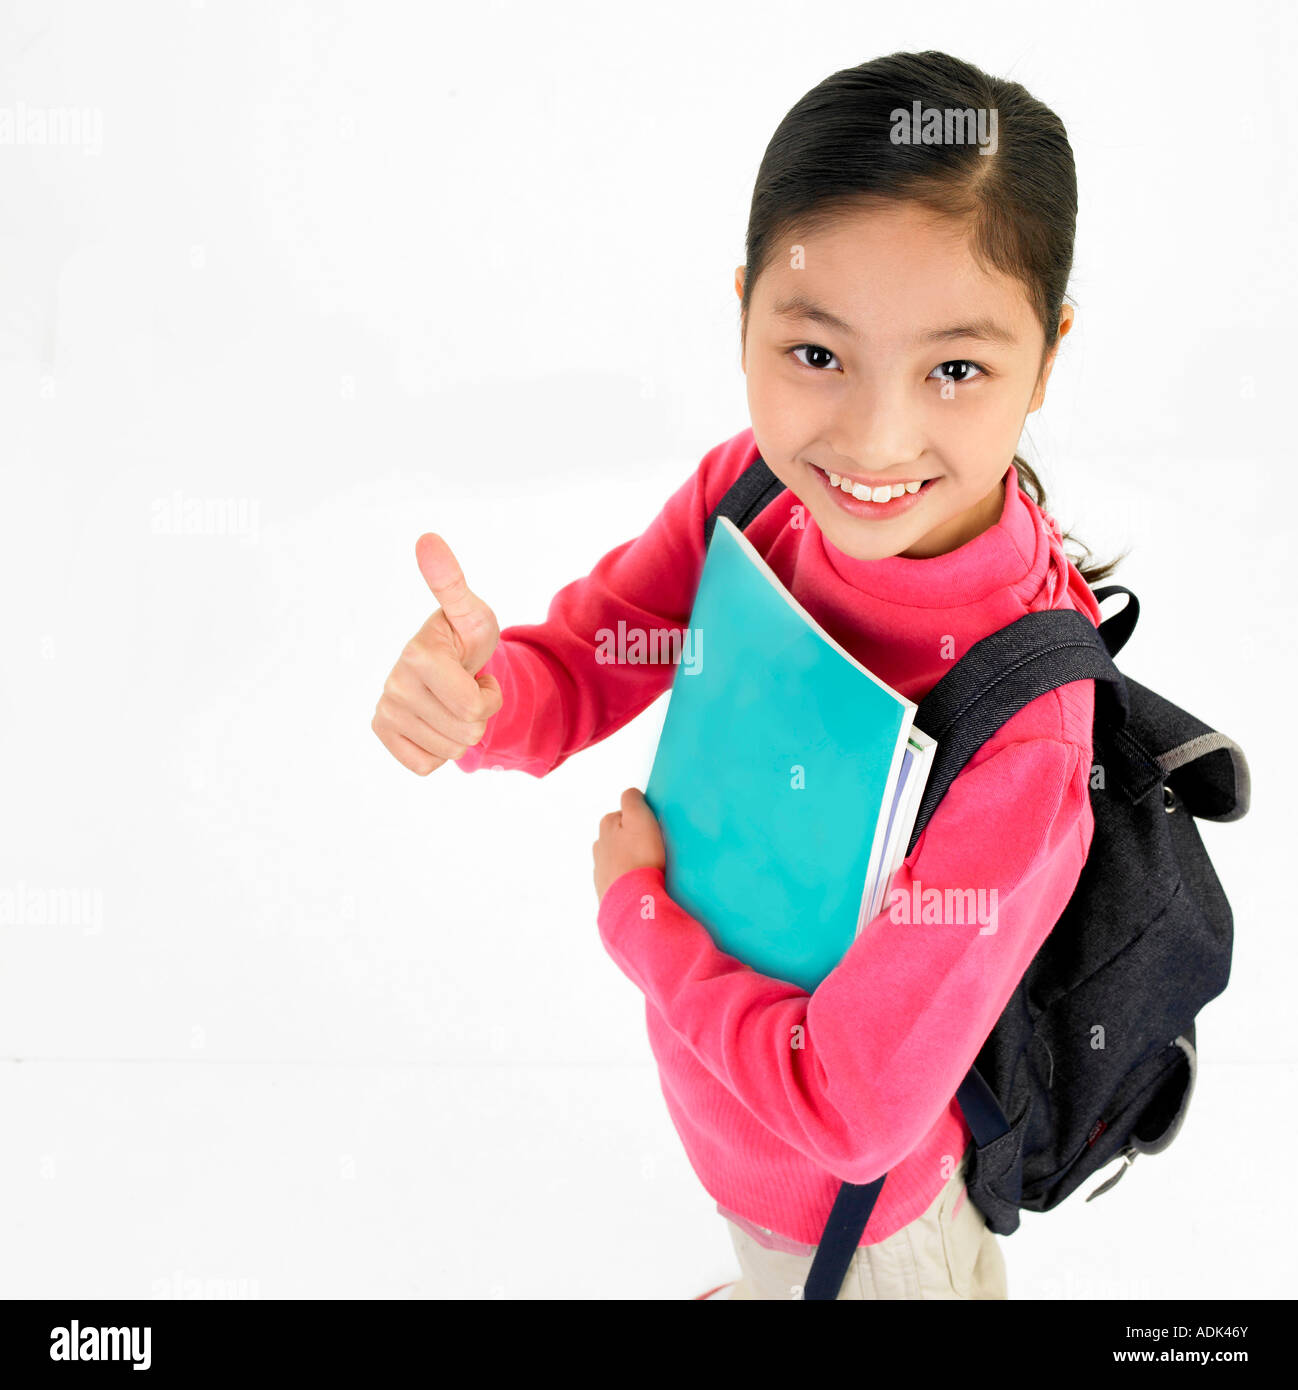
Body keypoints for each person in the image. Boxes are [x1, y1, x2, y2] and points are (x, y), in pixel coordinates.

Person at [372, 50, 1120, 1300]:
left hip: (867, 1232)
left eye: (954, 367)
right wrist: (486, 692)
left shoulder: (1028, 735)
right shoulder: (758, 490)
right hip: (738, 1142)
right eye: (816, 355)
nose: (874, 443)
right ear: (742, 315)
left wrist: (640, 919)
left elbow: (849, 1107)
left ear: (1045, 358)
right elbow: (596, 655)